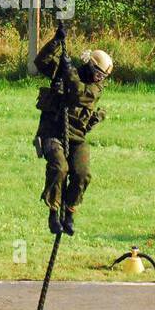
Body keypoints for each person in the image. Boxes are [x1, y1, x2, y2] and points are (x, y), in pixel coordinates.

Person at [33, 26, 112, 236]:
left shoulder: (95, 89)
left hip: (77, 136)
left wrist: (68, 73)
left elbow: (78, 94)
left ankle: (69, 212)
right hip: (52, 132)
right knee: (59, 168)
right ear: (89, 65)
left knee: (82, 174)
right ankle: (53, 211)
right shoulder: (65, 69)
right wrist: (56, 42)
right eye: (96, 73)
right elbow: (41, 62)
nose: (98, 78)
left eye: (102, 76)